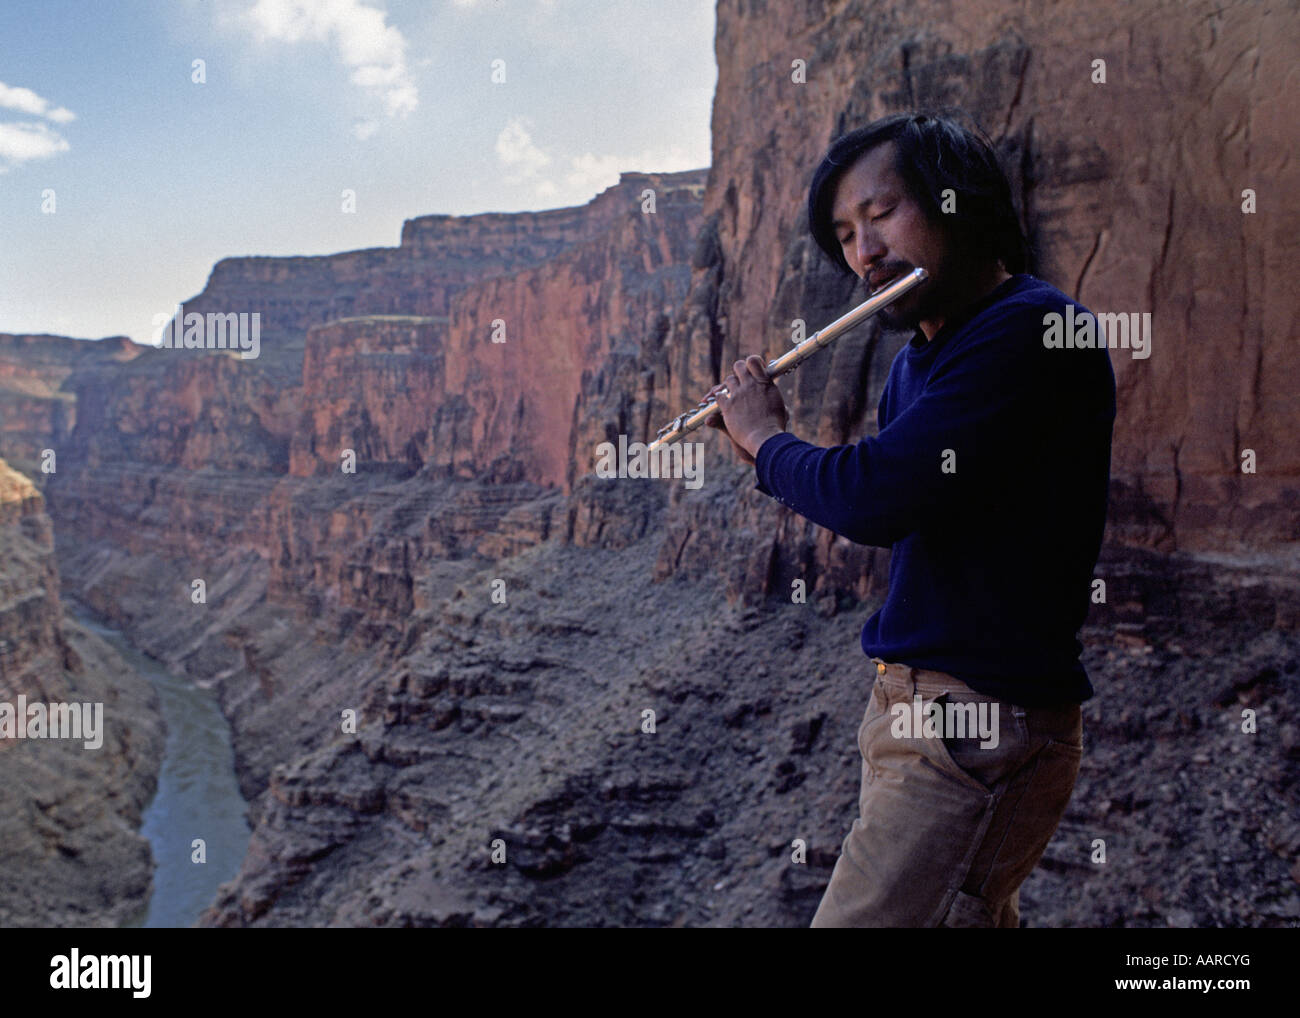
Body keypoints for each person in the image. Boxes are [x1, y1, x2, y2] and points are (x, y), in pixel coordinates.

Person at [702, 111, 1117, 927]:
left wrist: (760, 436)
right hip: (916, 713)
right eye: (846, 234)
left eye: (881, 214)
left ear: (957, 202)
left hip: (977, 724)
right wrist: (765, 450)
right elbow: (899, 501)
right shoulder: (924, 357)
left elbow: (875, 496)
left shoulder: (1033, 330)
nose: (864, 252)